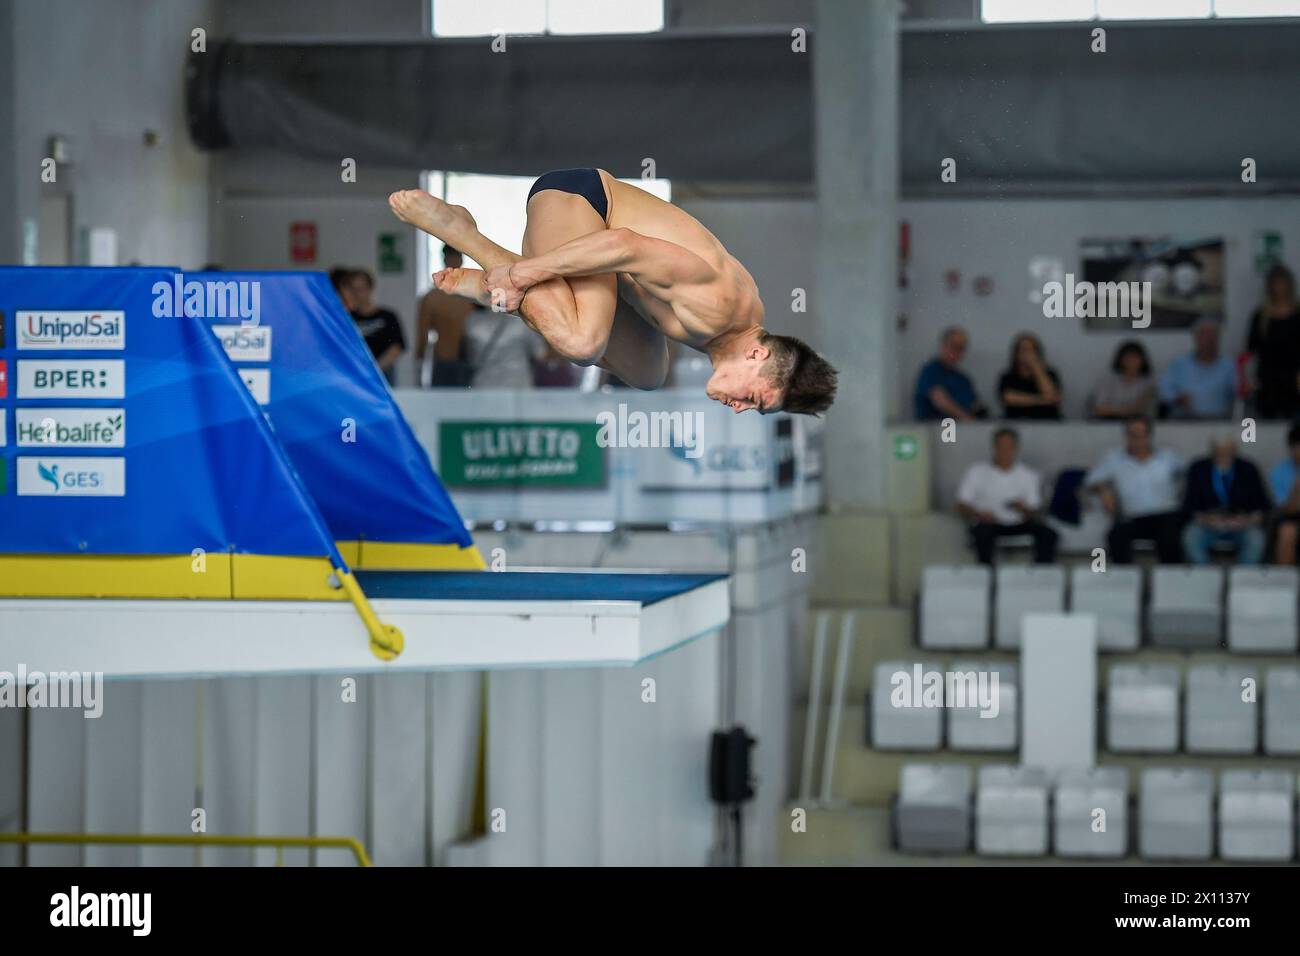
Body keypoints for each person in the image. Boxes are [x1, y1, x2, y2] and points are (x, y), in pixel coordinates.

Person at [388, 168, 837, 414]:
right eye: (755, 400)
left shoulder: (727, 328)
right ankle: (465, 234)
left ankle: (494, 284)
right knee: (583, 342)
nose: (739, 408)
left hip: (606, 258)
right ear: (758, 357)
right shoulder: (719, 306)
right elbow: (625, 245)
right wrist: (525, 275)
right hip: (582, 201)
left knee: (647, 375)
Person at [1084, 417, 1185, 563]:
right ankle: (1125, 582)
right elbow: (1090, 481)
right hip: (1133, 517)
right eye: (1132, 435)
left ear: (1149, 435)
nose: (1137, 439)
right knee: (1116, 535)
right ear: (1126, 436)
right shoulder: (1113, 458)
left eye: (1141, 435)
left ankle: (1170, 582)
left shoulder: (1169, 457)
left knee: (1170, 538)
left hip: (1167, 514)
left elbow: (1192, 476)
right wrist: (1103, 489)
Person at [956, 428, 1058, 564]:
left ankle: (1040, 577)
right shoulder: (976, 471)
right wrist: (979, 514)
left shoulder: (1029, 475)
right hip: (988, 522)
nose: (1004, 450)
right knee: (982, 533)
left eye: (1008, 446)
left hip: (1019, 523)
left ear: (1015, 448)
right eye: (1001, 446)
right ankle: (987, 576)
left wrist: (1023, 509)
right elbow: (961, 504)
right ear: (994, 446)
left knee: (1048, 534)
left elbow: (1035, 512)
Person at [1180, 436, 1268, 565]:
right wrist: (1207, 519)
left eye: (1228, 451)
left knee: (1256, 539)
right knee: (1191, 537)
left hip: (1241, 525)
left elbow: (1260, 509)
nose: (1223, 456)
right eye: (1219, 452)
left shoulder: (1249, 469)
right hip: (1208, 524)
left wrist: (1246, 520)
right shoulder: (1198, 468)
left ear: (1235, 450)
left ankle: (1241, 578)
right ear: (1212, 451)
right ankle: (1206, 577)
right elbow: (1190, 508)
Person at [415, 245, 477, 386]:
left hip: (473, 358)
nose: (454, 261)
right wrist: (418, 366)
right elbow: (422, 334)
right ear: (445, 259)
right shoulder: (432, 298)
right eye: (452, 257)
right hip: (445, 358)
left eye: (456, 257)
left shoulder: (474, 295)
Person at [1246, 264, 1300, 420]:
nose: (1279, 288)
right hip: (1267, 382)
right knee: (1266, 426)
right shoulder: (1261, 317)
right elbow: (1251, 351)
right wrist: (1250, 380)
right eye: (1276, 283)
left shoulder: (1298, 315)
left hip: (1294, 381)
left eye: (1282, 283)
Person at [1157, 318, 1236, 419]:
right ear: (1196, 338)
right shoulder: (1179, 364)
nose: (1208, 339)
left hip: (1218, 420)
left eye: (1212, 335)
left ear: (1218, 339)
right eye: (1204, 334)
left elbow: (1239, 392)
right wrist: (1178, 398)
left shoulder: (1228, 366)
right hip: (1184, 419)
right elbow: (1163, 392)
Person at [462, 305, 548, 389]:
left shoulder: (471, 321)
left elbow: (470, 357)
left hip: (484, 388)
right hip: (518, 388)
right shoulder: (521, 320)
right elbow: (540, 353)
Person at [346, 269, 407, 387]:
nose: (357, 294)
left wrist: (375, 368)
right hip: (356, 373)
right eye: (354, 290)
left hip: (384, 374)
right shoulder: (347, 318)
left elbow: (396, 347)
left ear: (370, 288)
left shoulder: (388, 316)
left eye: (361, 289)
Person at [914, 326, 987, 421]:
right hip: (934, 430)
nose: (957, 352)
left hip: (963, 431)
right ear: (943, 346)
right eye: (954, 346)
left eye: (961, 349)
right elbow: (939, 399)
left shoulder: (963, 379)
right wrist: (966, 417)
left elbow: (975, 404)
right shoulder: (930, 371)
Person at [997, 332, 1061, 419]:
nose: (1027, 354)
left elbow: (1052, 396)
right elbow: (1009, 398)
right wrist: (1042, 400)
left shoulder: (1050, 374)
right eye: (1024, 350)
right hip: (1016, 421)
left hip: (1047, 421)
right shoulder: (1008, 377)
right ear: (1016, 353)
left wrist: (1037, 368)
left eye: (1031, 350)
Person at [1089, 340, 1156, 420]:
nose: (1132, 362)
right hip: (1106, 422)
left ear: (1143, 360)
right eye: (1128, 358)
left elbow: (1141, 409)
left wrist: (1116, 410)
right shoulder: (1108, 380)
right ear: (1120, 360)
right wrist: (1125, 410)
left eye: (1136, 358)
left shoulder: (1148, 383)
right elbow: (1099, 408)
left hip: (1137, 424)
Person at [1269, 423, 1300, 564]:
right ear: (1291, 448)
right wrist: (1297, 488)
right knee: (1287, 531)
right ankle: (1285, 580)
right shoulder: (1279, 472)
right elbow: (1288, 510)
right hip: (1292, 517)